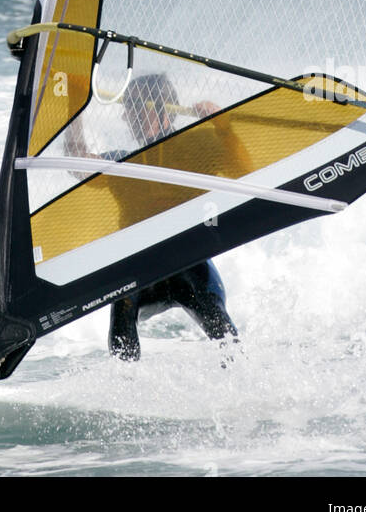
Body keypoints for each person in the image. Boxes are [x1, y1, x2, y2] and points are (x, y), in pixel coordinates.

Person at [66, 70, 238, 361]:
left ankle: (243, 388)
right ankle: (127, 393)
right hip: (141, 273)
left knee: (225, 335)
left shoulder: (194, 154)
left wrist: (223, 126)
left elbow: (241, 170)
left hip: (191, 267)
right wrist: (74, 104)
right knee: (122, 313)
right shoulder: (124, 164)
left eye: (132, 109)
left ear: (159, 110)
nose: (125, 118)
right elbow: (75, 161)